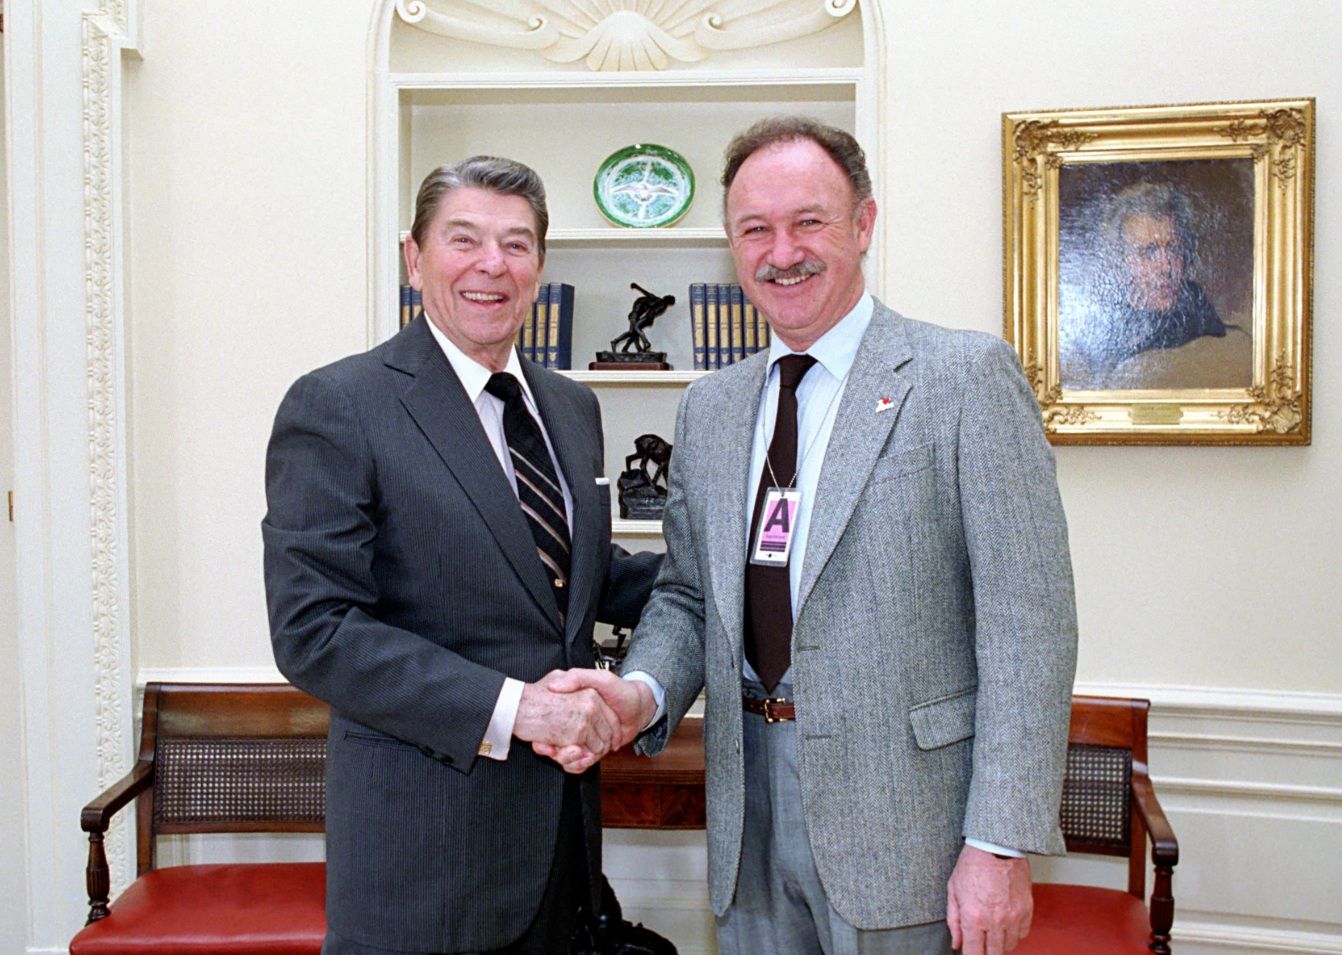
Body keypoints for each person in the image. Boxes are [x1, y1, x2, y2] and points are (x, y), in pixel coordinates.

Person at [544, 117, 1079, 955]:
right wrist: (643, 691)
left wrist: (998, 843)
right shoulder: (711, 407)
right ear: (731, 244)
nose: (781, 250)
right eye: (755, 228)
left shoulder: (963, 379)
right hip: (747, 808)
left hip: (912, 833)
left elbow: (1028, 627)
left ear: (863, 225)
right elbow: (689, 596)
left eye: (808, 221)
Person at [263, 156, 661, 954]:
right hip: (426, 864)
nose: (492, 265)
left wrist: (748, 571)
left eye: (516, 245)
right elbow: (316, 629)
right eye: (465, 239)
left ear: (540, 267)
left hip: (564, 858)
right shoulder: (340, 404)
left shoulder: (571, 406)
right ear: (415, 257)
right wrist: (521, 709)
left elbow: (573, 578)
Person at [1060, 181, 1251, 389]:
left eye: (1174, 250)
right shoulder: (1096, 328)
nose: (1166, 267)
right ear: (1120, 263)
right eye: (1148, 253)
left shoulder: (1207, 330)